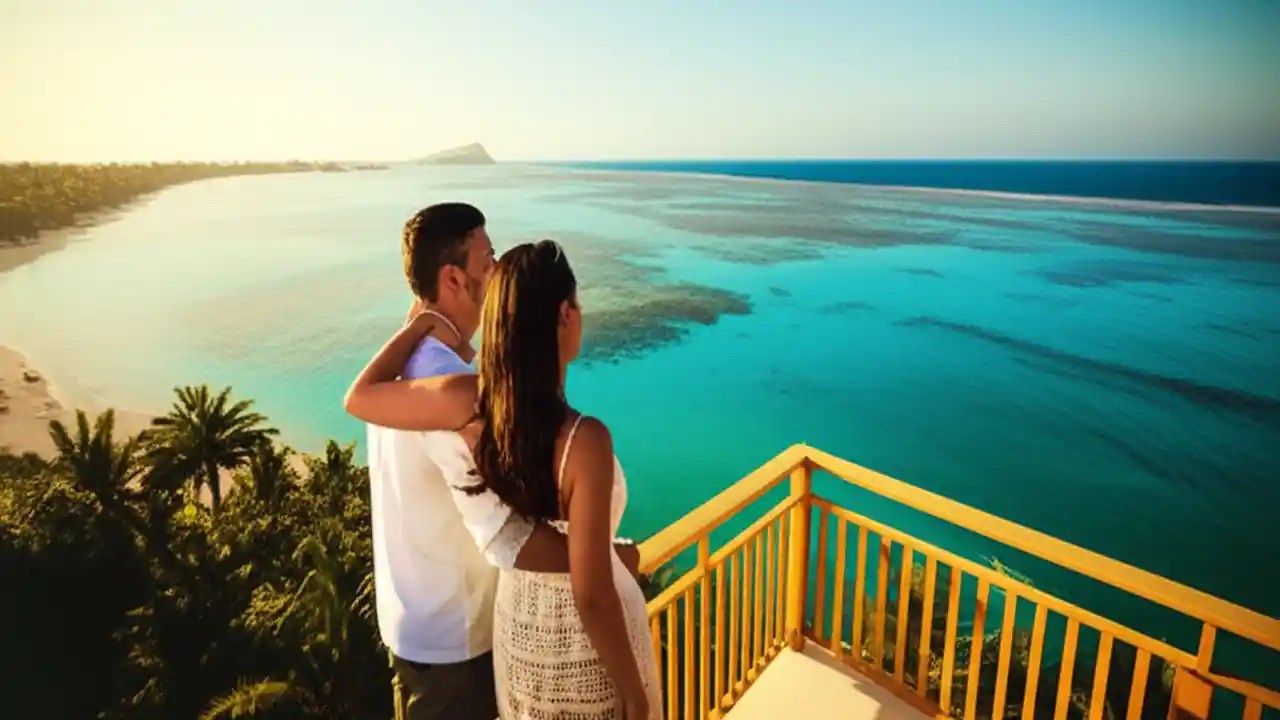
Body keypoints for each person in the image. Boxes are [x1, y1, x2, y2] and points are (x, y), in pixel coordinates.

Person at [343, 204, 639, 720]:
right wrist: (605, 562)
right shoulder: (448, 385)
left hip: (423, 620)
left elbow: (358, 396)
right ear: (453, 277)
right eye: (489, 258)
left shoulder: (420, 369)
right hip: (456, 635)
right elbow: (503, 529)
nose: (497, 269)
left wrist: (418, 323)